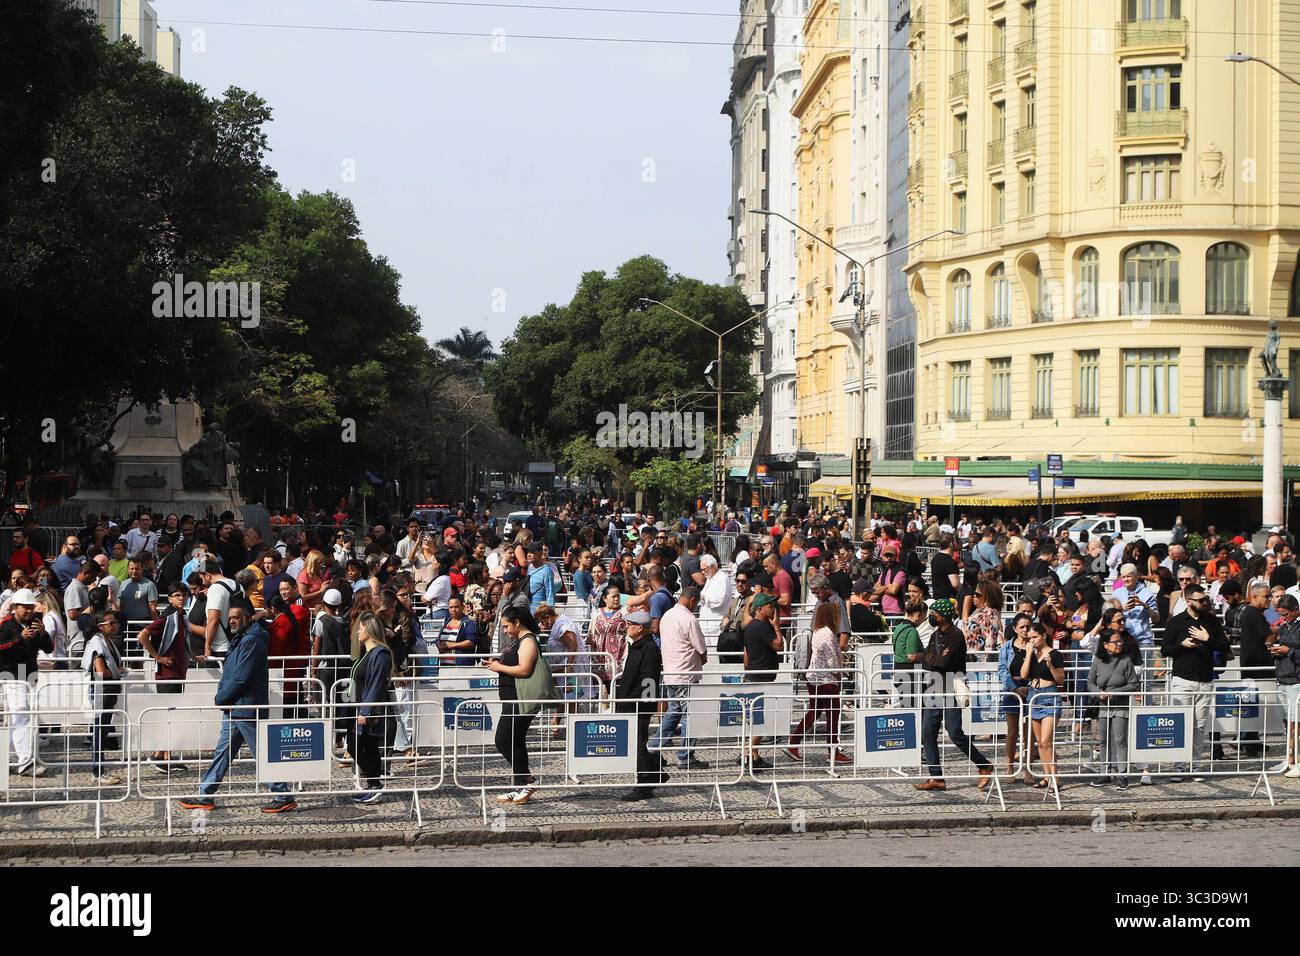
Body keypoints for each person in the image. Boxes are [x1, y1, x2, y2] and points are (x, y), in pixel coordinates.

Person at [178, 605, 298, 813]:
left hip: (245, 706)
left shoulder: (251, 639)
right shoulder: (244, 638)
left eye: (237, 617)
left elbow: (241, 676)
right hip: (237, 706)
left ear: (248, 618)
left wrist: (221, 697)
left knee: (260, 752)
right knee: (223, 753)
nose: (232, 621)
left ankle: (283, 794)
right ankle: (205, 794)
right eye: (230, 618)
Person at [915, 598, 993, 792]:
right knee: (927, 734)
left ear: (944, 616)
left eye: (934, 614)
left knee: (955, 732)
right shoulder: (935, 635)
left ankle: (983, 764)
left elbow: (943, 662)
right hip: (934, 688)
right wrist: (933, 659)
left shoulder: (956, 636)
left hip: (950, 688)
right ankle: (936, 777)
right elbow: (928, 661)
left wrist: (932, 659)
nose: (931, 617)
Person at [1160, 584, 1232, 781]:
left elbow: (1225, 646)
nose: (1204, 603)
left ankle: (1195, 764)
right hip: (1182, 679)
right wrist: (1182, 645)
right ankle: (1178, 766)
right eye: (1200, 600)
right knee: (1181, 724)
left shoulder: (1211, 620)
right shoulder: (1176, 622)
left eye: (1205, 599)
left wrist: (1207, 638)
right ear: (1188, 600)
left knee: (1200, 726)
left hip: (1205, 679)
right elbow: (1165, 649)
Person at [486, 605, 549, 805]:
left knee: (503, 740)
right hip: (512, 698)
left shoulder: (528, 640)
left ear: (517, 623)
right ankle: (520, 784)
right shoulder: (520, 640)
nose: (505, 630)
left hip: (520, 699)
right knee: (515, 741)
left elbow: (523, 670)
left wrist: (499, 666)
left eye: (506, 626)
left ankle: (527, 780)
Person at [653, 587, 710, 771]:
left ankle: (652, 747)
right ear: (692, 599)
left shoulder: (667, 616)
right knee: (690, 717)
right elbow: (701, 648)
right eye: (697, 603)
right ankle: (685, 756)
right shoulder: (689, 618)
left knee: (673, 713)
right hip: (686, 674)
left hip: (670, 673)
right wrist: (702, 658)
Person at [785, 600, 849, 763]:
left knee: (815, 712)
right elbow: (831, 658)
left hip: (815, 678)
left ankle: (794, 742)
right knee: (833, 714)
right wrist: (840, 672)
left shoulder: (818, 631)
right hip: (826, 679)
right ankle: (832, 750)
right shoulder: (827, 633)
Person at [137, 582, 192, 770]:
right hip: (167, 675)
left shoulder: (181, 616)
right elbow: (142, 635)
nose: (181, 598)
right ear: (169, 599)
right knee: (168, 716)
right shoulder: (166, 617)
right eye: (177, 595)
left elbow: (182, 641)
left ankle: (166, 755)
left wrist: (193, 656)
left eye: (183, 595)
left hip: (177, 672)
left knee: (173, 716)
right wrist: (158, 657)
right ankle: (158, 755)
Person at [0, 589, 53, 776]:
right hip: (11, 674)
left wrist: (44, 633)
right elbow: (1, 648)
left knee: (20, 717)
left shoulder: (35, 624)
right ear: (15, 607)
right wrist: (19, 638)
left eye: (31, 607)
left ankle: (11, 757)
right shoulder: (5, 625)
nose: (29, 611)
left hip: (29, 674)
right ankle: (24, 762)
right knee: (22, 715)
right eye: (26, 607)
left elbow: (48, 648)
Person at [615, 608, 665, 800]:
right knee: (636, 744)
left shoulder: (649, 649)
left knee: (638, 745)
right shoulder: (637, 646)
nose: (627, 627)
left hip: (638, 706)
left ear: (640, 628)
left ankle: (644, 783)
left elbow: (649, 680)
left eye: (630, 625)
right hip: (630, 704)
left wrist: (642, 704)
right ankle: (655, 772)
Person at [1087, 620, 1141, 790]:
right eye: (1115, 642)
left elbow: (1134, 684)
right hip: (1103, 706)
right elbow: (1090, 681)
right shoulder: (1097, 660)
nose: (1118, 644)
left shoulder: (1125, 660)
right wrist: (1098, 693)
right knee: (1102, 740)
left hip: (1120, 706)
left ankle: (1122, 774)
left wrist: (1116, 692)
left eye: (1120, 642)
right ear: (1105, 644)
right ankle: (1105, 772)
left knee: (1119, 739)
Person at [348, 613, 395, 803]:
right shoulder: (366, 653)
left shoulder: (380, 654)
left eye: (361, 627)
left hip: (369, 711)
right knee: (367, 746)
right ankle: (373, 784)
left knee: (357, 746)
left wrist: (366, 711)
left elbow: (377, 684)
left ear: (369, 629)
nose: (358, 630)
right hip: (359, 707)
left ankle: (375, 784)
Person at [1019, 621, 1066, 790]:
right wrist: (1029, 654)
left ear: (1044, 635)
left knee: (1046, 741)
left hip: (1050, 695)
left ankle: (1055, 777)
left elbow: (1060, 679)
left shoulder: (1054, 654)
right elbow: (1024, 675)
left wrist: (1050, 666)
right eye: (1030, 638)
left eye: (1035, 637)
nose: (1032, 641)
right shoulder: (1031, 653)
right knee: (1039, 742)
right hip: (1033, 695)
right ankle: (1047, 776)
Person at [83, 608, 126, 786]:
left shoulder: (106, 641)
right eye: (110, 623)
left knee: (102, 731)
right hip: (101, 691)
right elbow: (100, 671)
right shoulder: (97, 644)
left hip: (108, 691)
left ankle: (98, 770)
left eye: (115, 621)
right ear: (100, 626)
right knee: (100, 733)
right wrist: (118, 672)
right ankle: (97, 771)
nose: (114, 625)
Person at [998, 612, 1033, 783]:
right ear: (1015, 629)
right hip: (1012, 690)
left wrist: (1029, 687)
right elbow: (1003, 671)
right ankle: (1010, 766)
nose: (1025, 630)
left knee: (1028, 733)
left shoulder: (1034, 645)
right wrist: (1015, 688)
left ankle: (1028, 769)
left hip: (1031, 689)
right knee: (1012, 732)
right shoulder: (1006, 647)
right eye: (1022, 627)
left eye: (1028, 626)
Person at [1268, 594, 1300, 776]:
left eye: (1286, 614)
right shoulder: (1285, 626)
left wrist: (1289, 651)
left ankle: (1297, 760)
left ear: (1295, 609)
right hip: (1283, 676)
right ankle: (1290, 758)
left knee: (1297, 723)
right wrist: (1276, 651)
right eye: (1280, 614)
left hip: (1297, 680)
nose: (1283, 618)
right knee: (1287, 722)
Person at [587, 584, 628, 691]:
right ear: (605, 598)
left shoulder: (625, 612)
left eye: (618, 596)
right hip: (601, 659)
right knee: (603, 689)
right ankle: (604, 708)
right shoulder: (596, 614)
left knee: (617, 689)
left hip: (619, 659)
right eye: (613, 596)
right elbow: (591, 635)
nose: (616, 599)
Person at [437, 595, 481, 666]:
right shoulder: (446, 621)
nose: (453, 610)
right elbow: (438, 639)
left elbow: (471, 642)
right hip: (443, 665)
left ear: (463, 607)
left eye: (456, 607)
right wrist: (439, 645)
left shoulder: (468, 622)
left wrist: (453, 645)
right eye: (451, 607)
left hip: (461, 665)